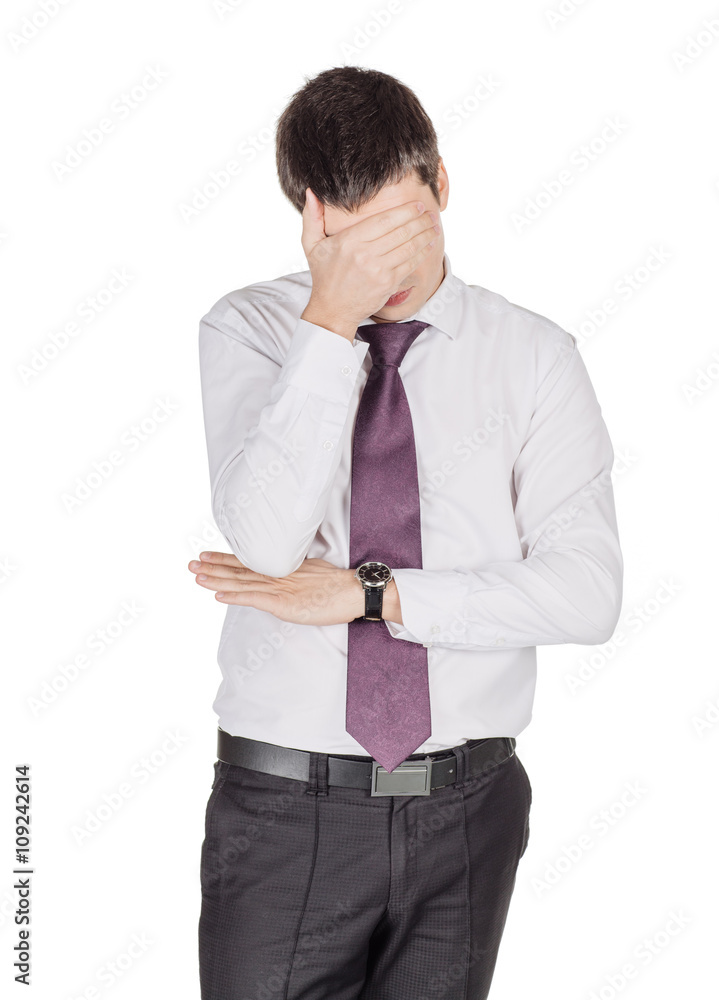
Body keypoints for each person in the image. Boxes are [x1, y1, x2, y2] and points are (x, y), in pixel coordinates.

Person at [189, 65, 623, 1000]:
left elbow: (587, 594)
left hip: (467, 816)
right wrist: (330, 319)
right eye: (349, 245)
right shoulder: (255, 330)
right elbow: (265, 542)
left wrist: (368, 594)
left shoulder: (534, 357)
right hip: (284, 813)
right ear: (309, 221)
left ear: (442, 186)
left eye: (398, 231)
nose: (380, 270)